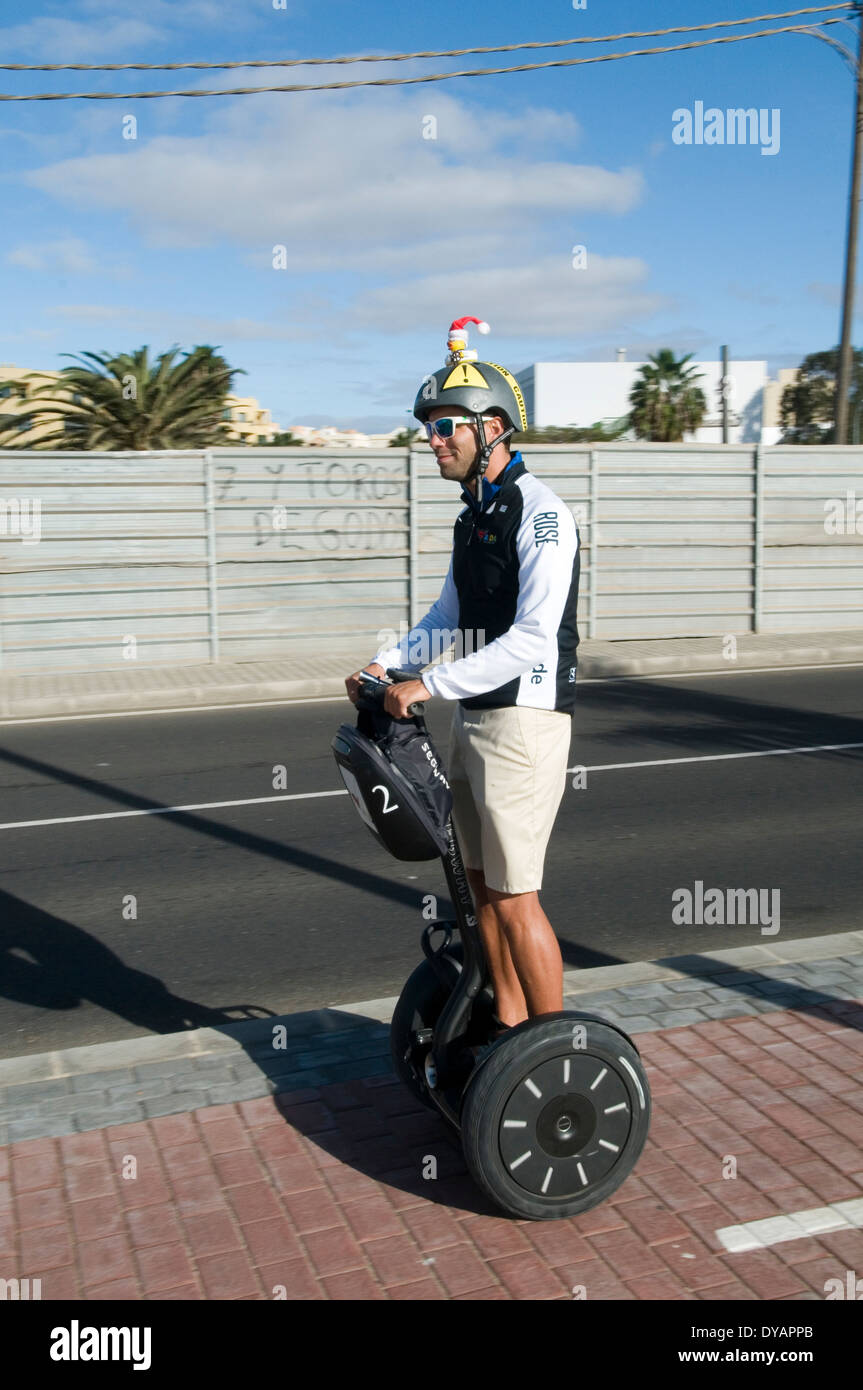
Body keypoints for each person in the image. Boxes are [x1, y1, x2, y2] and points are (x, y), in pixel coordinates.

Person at [346, 318, 580, 1031]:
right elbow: (446, 616)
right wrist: (388, 664)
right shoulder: (472, 516)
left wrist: (427, 686)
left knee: (514, 896)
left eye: (445, 425)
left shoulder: (541, 515)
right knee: (477, 889)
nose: (431, 440)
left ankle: (553, 1048)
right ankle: (509, 1028)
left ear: (493, 428)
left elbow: (534, 637)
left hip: (523, 722)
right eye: (428, 428)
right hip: (475, 718)